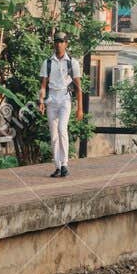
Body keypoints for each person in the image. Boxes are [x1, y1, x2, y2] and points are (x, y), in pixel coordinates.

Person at [39, 32, 83, 177]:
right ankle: (57, 166)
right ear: (54, 43)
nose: (59, 44)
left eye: (61, 41)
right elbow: (43, 85)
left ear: (66, 44)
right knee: (53, 134)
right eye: (56, 41)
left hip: (64, 98)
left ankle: (64, 164)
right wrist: (41, 101)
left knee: (62, 129)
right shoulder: (48, 62)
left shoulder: (72, 62)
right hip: (51, 99)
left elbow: (78, 87)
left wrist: (80, 109)